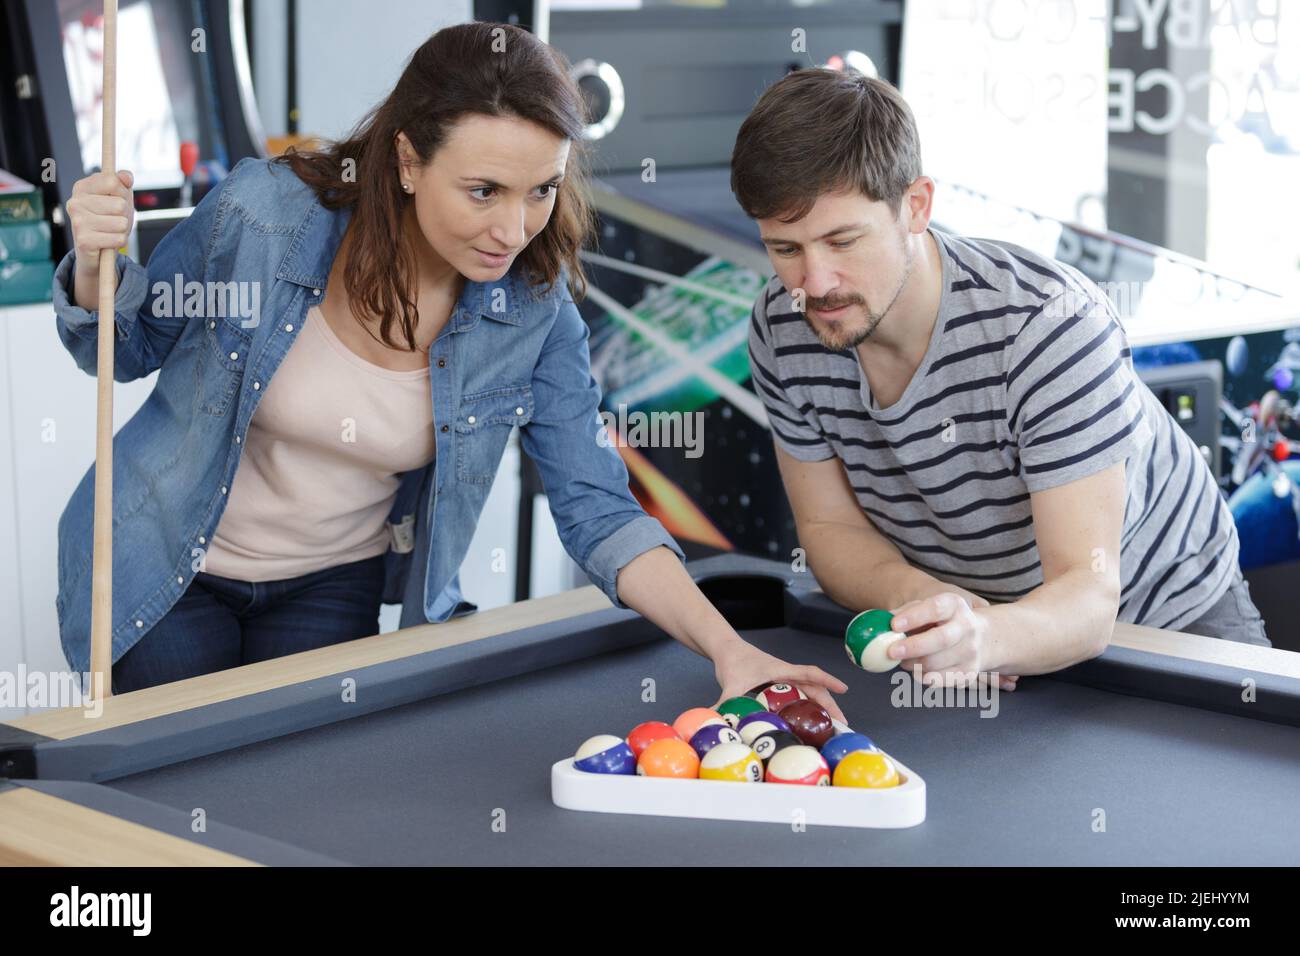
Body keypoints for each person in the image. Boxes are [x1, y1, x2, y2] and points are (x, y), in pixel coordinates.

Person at [53, 22, 847, 716]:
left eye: (541, 190)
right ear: (405, 161)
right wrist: (98, 264)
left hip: (333, 584)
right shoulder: (263, 217)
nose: (514, 227)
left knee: (299, 804)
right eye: (483, 191)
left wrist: (726, 649)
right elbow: (125, 346)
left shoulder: (534, 314)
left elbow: (598, 510)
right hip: (167, 562)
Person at [732, 69, 1270, 690]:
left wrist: (982, 638)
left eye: (842, 240)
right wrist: (937, 606)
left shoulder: (1048, 326)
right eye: (786, 249)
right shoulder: (781, 324)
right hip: (983, 630)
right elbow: (831, 530)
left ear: (916, 206)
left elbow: (1088, 593)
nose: (815, 284)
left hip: (1166, 616)